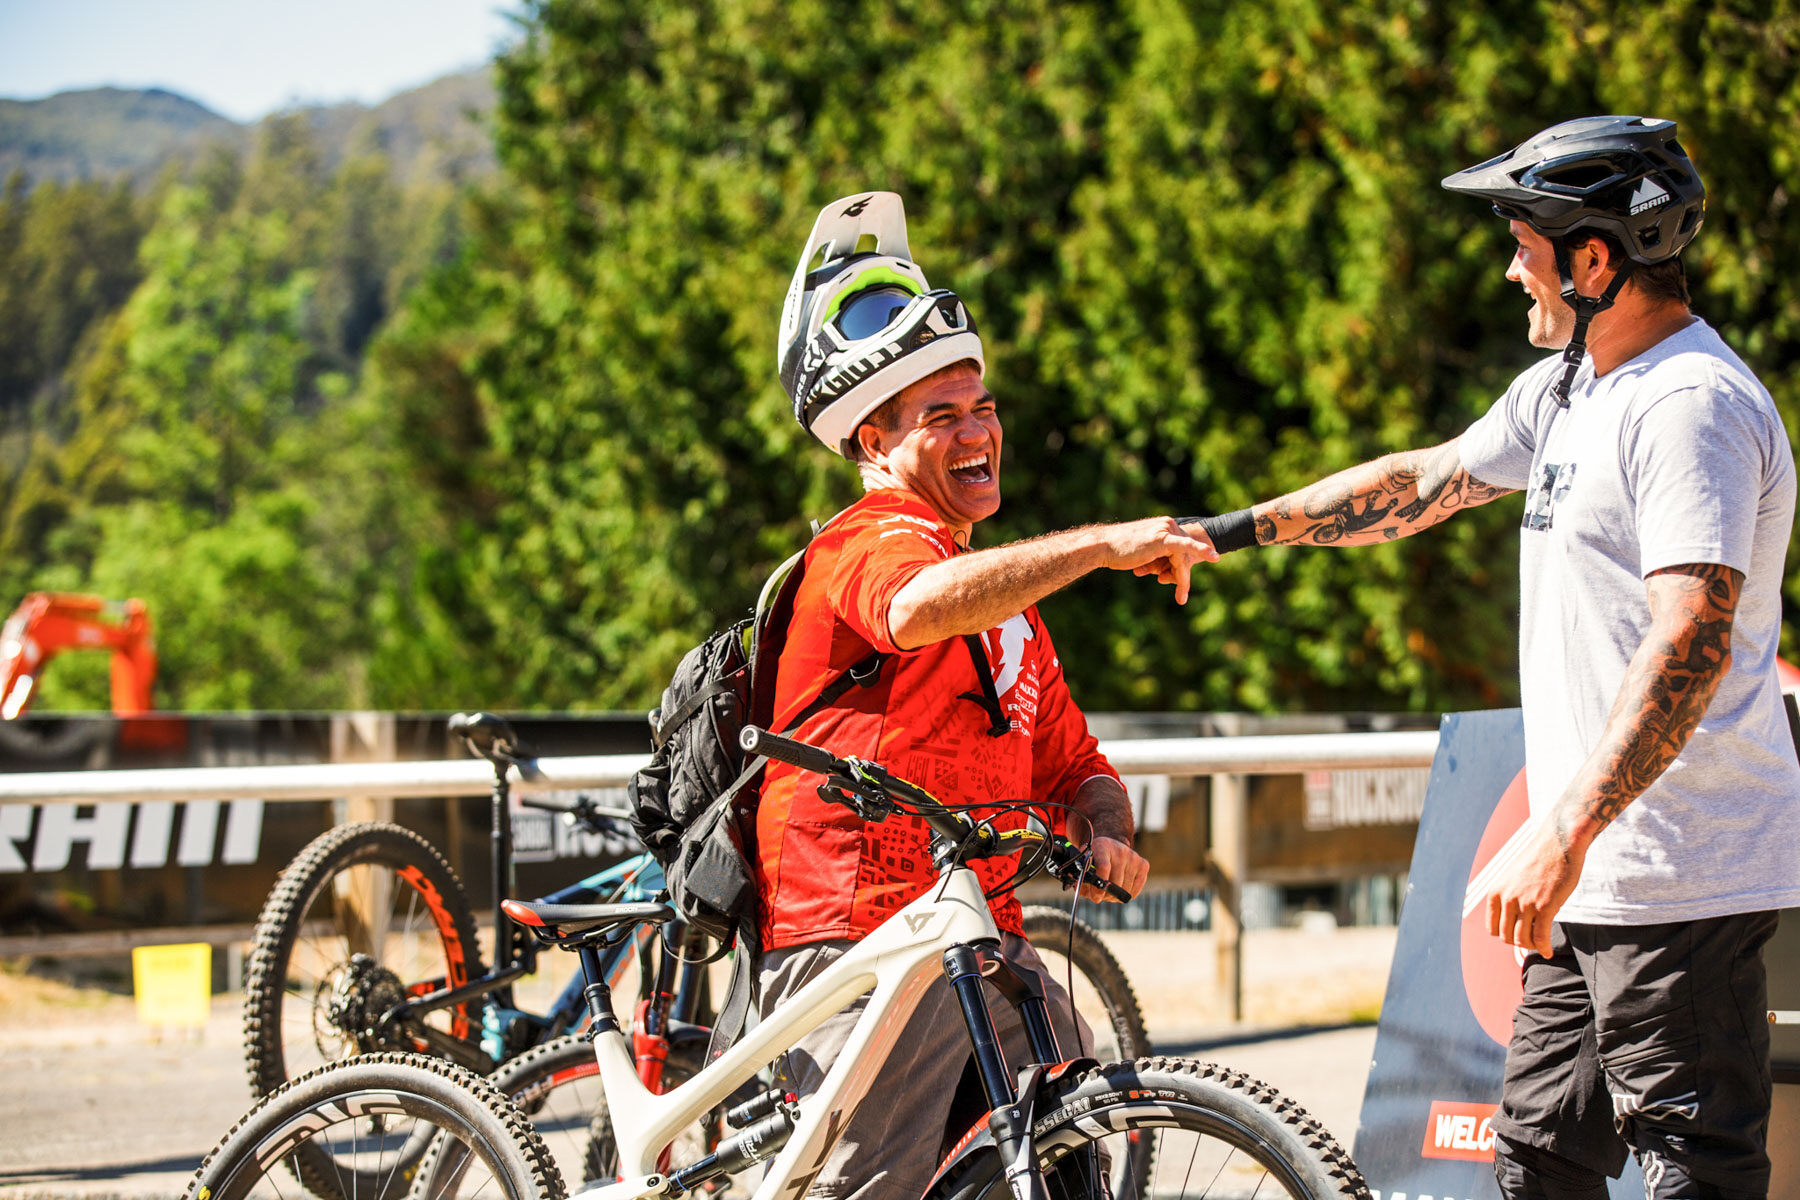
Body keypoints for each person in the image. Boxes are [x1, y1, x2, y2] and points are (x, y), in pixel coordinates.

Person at [1176, 116, 1800, 1198]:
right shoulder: (1572, 388)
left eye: (1525, 243)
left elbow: (1689, 640)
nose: (1514, 268)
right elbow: (1425, 483)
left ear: (1596, 257)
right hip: (1587, 879)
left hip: (1675, 881)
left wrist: (1560, 833)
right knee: (1538, 1163)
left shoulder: (1689, 404)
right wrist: (1226, 534)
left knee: (1691, 1174)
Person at [755, 191, 1216, 1200]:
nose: (978, 433)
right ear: (875, 444)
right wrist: (1100, 547)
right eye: (941, 418)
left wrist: (1104, 828)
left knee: (1069, 1155)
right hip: (860, 942)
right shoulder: (864, 544)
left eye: (984, 407)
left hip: (977, 943)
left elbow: (1076, 765)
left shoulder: (1009, 612)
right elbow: (918, 608)